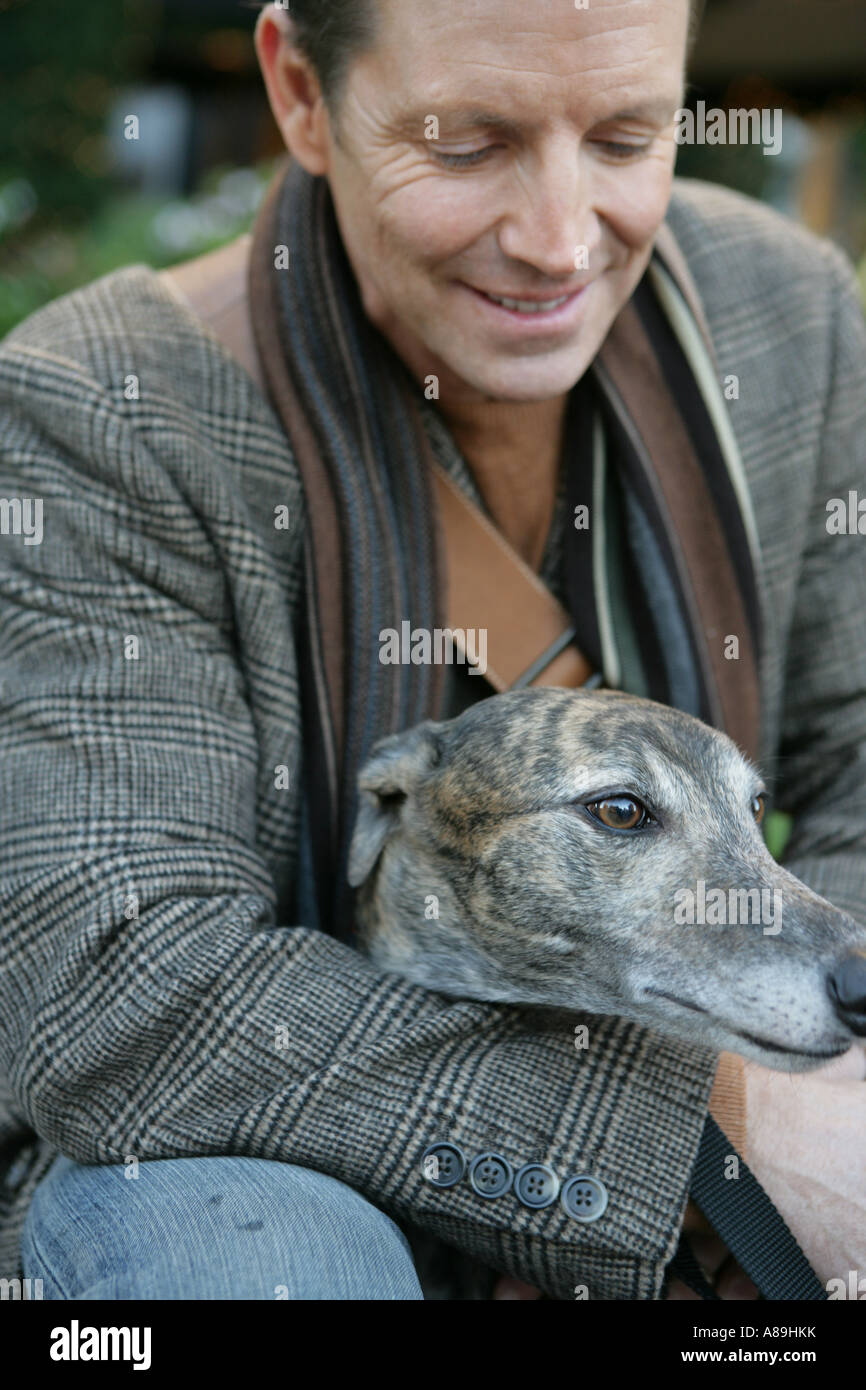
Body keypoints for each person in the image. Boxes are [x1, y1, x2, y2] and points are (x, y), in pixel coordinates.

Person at [1, 0, 864, 1302]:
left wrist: (824, 1081)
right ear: (299, 90)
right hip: (244, 1153)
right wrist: (704, 1132)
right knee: (258, 1256)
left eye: (627, 136)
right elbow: (121, 991)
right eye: (466, 143)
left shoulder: (783, 315)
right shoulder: (94, 412)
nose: (559, 241)